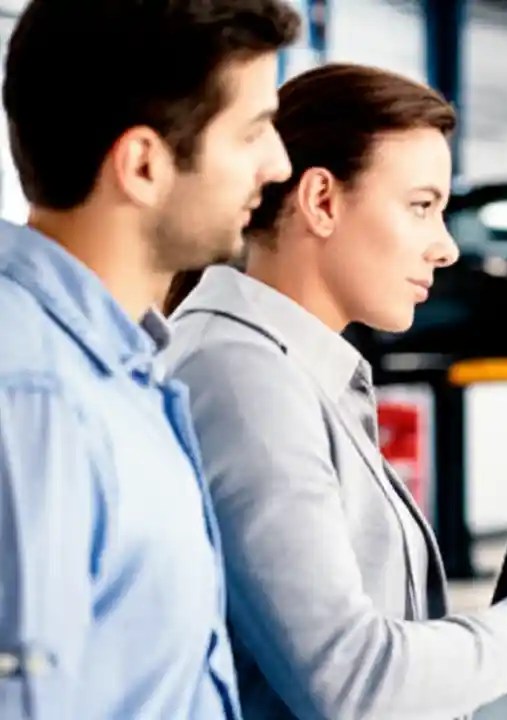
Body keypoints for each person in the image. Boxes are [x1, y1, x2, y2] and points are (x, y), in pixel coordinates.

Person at [159, 63, 507, 720]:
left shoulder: (287, 369)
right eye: (422, 206)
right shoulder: (243, 379)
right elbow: (355, 679)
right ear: (322, 201)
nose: (446, 247)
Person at [0, 1, 297, 718]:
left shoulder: (122, 368)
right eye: (253, 131)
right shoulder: (36, 396)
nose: (279, 162)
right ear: (142, 165)